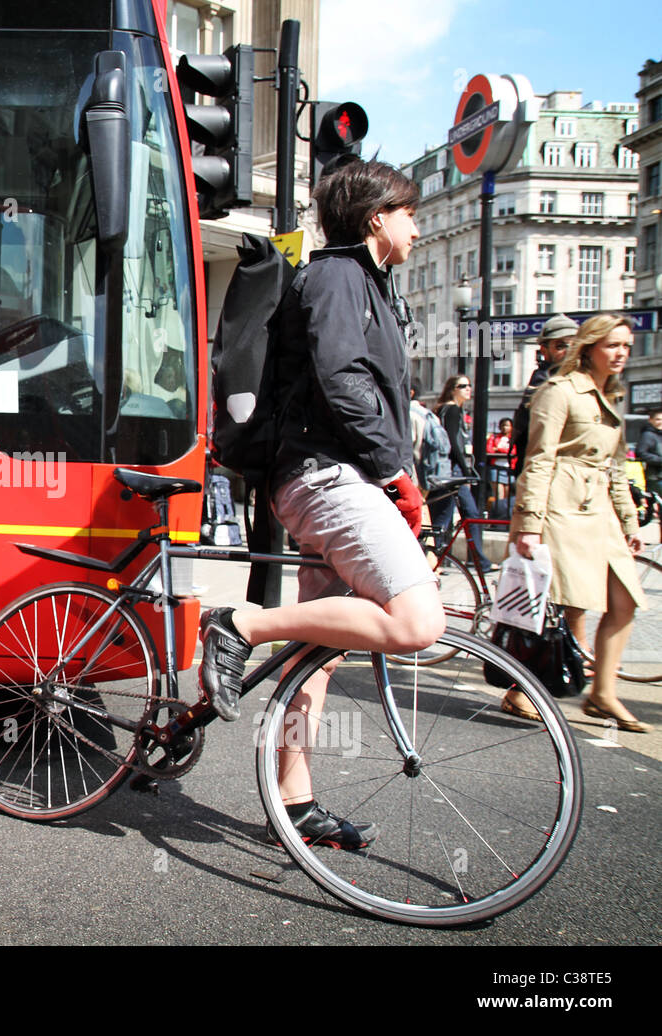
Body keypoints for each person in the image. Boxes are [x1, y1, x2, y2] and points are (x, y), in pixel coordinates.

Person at [199, 158, 445, 849]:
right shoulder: (340, 278)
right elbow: (342, 383)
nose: (417, 229)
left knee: (322, 652)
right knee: (418, 621)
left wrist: (397, 470)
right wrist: (395, 469)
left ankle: (295, 801)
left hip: (332, 476)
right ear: (377, 219)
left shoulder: (365, 284)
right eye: (410, 214)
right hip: (327, 476)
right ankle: (242, 625)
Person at [508, 313, 650, 733]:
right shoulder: (559, 391)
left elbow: (617, 465)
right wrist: (529, 521)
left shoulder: (612, 395)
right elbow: (538, 459)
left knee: (624, 600)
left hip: (600, 509)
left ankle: (603, 693)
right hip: (563, 506)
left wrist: (629, 521)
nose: (621, 353)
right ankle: (521, 688)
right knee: (567, 605)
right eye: (612, 345)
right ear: (588, 347)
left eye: (626, 345)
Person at [430, 374, 493, 571]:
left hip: (443, 469)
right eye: (463, 386)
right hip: (453, 471)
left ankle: (435, 561)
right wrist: (465, 470)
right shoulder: (453, 410)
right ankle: (477, 561)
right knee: (468, 514)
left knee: (444, 518)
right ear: (452, 389)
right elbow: (453, 443)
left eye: (469, 385)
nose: (468, 389)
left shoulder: (441, 409)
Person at [512, 313, 578, 476]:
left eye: (574, 345)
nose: (568, 351)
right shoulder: (543, 381)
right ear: (544, 350)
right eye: (560, 346)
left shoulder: (582, 377)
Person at [486, 417, 515, 515]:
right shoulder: (494, 437)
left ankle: (505, 516)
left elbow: (513, 451)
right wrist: (500, 450)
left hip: (509, 469)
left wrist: (498, 449)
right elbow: (489, 450)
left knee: (507, 496)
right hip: (496, 468)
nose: (505, 428)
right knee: (499, 495)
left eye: (507, 425)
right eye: (503, 425)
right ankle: (497, 516)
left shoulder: (513, 438)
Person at [635, 407, 662, 497]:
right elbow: (641, 453)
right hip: (656, 478)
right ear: (650, 420)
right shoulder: (648, 435)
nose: (660, 422)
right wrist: (659, 460)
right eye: (658, 419)